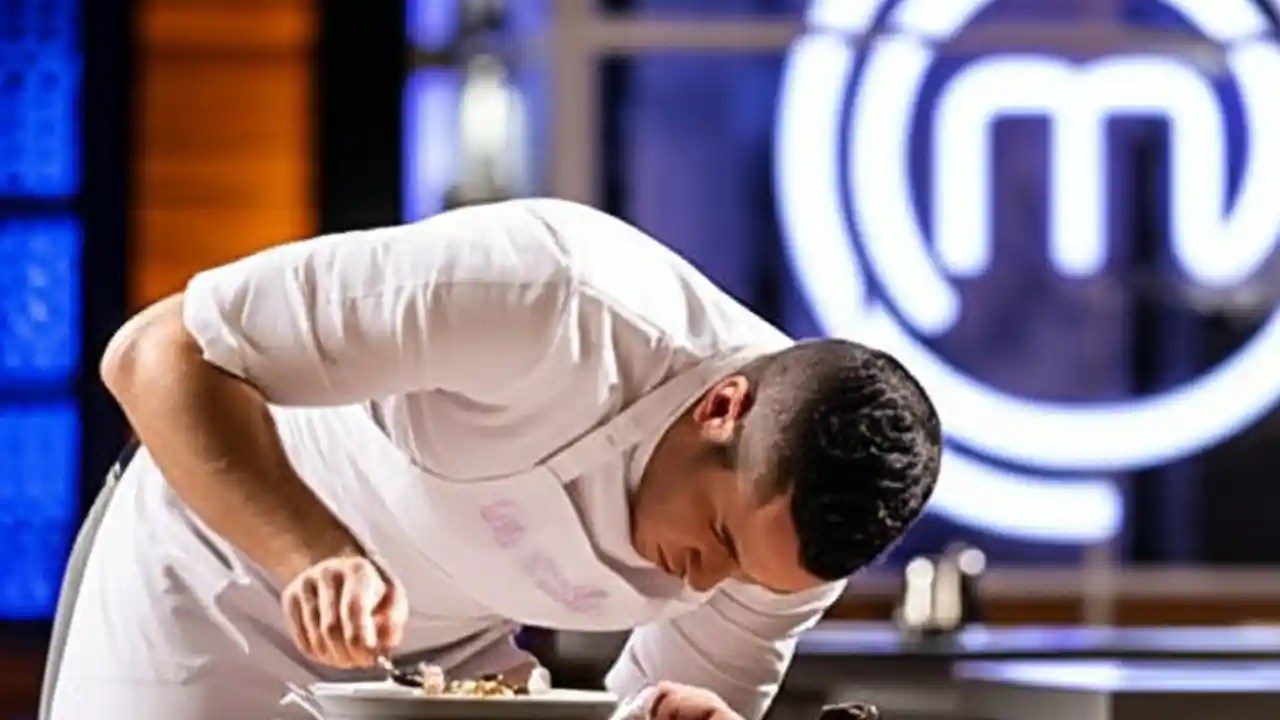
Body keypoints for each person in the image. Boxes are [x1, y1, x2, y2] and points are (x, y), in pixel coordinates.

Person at [42, 198, 942, 720]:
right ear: (720, 406)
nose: (709, 581)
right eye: (715, 534)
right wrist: (309, 554)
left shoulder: (788, 542)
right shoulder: (552, 296)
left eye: (748, 574)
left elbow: (645, 710)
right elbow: (157, 354)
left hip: (439, 674)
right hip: (210, 573)